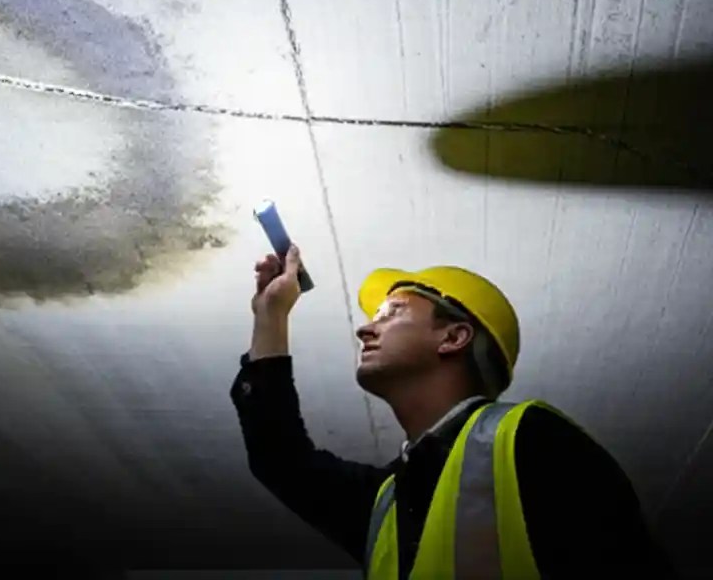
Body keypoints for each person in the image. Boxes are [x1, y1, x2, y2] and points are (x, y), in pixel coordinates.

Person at [231, 245, 674, 578]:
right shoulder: (386, 501)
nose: (366, 328)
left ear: (454, 337)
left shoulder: (531, 439)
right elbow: (281, 460)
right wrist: (271, 316)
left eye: (392, 312)